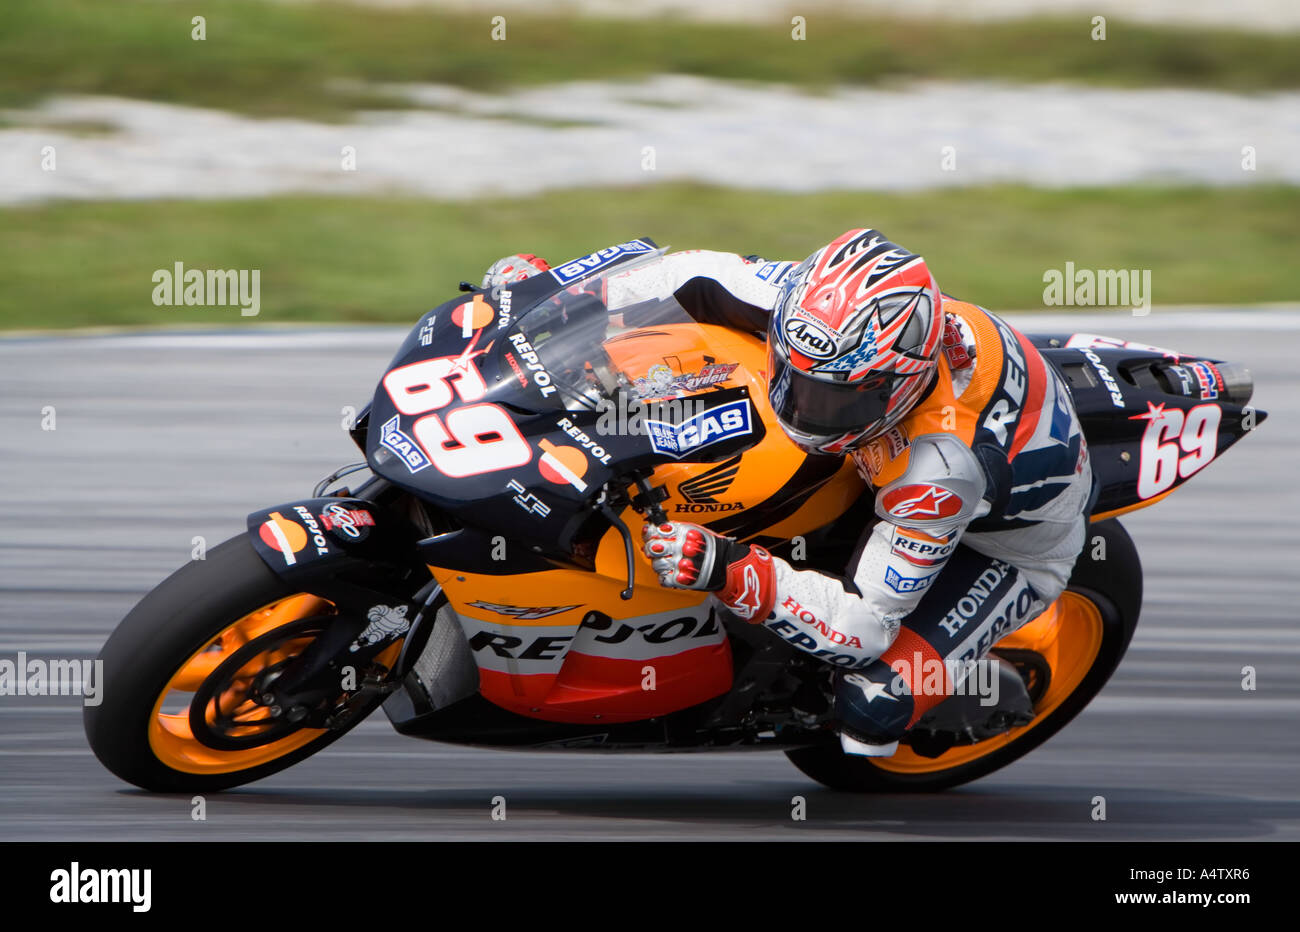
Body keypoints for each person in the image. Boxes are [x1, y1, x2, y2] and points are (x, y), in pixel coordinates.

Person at [482, 230, 1092, 757]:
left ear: (896, 390)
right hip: (892, 454)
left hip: (1005, 547)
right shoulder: (820, 313)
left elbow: (868, 623)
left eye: (832, 400)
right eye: (795, 378)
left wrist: (734, 571)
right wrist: (569, 299)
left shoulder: (941, 470)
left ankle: (968, 682)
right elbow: (692, 272)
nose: (804, 408)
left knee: (869, 707)